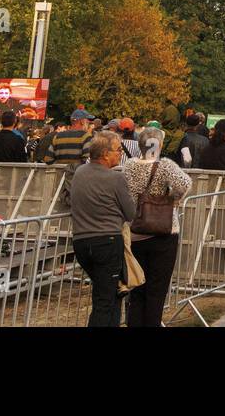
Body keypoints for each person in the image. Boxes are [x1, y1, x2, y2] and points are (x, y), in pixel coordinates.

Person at [122, 126, 192, 326]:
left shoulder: (129, 166)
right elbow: (185, 184)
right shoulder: (166, 166)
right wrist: (172, 198)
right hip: (163, 230)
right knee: (157, 289)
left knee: (137, 288)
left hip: (136, 229)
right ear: (158, 145)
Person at [69, 132, 136, 327]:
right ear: (105, 154)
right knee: (104, 301)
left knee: (111, 294)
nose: (120, 155)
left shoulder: (80, 172)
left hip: (82, 241)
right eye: (118, 150)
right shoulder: (116, 179)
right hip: (107, 242)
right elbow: (131, 213)